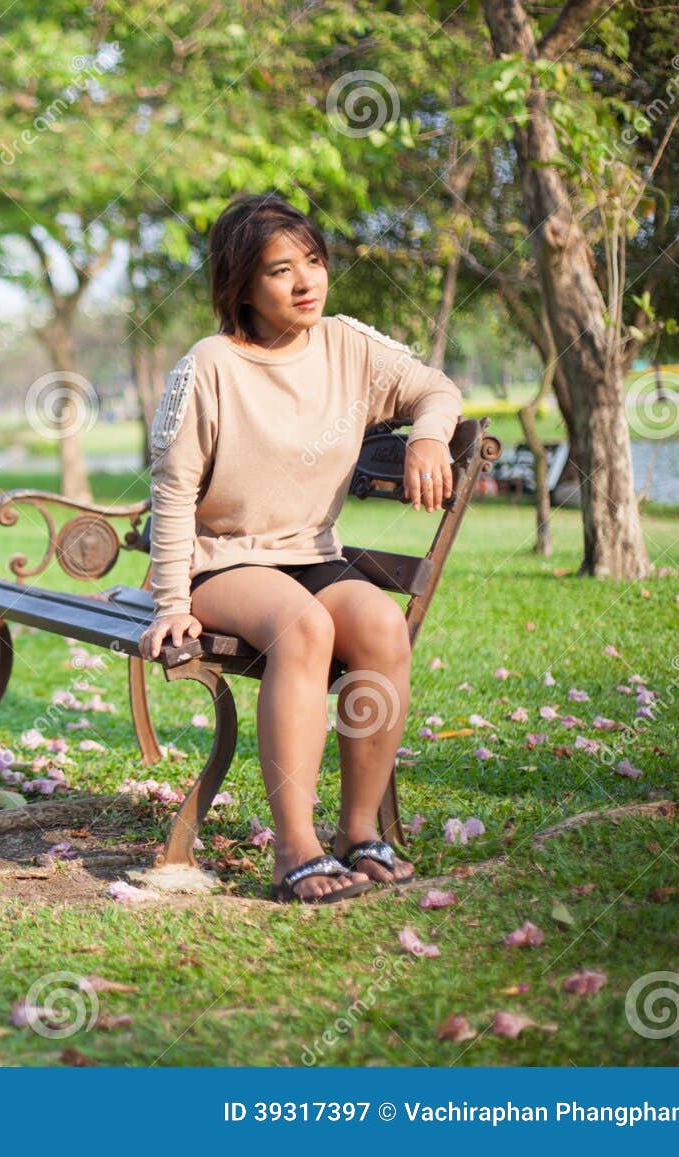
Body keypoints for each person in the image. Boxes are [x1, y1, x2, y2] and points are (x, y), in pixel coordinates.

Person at [138, 193, 461, 905]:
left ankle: (357, 831)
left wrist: (431, 434)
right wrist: (167, 600)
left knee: (379, 623)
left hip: (308, 552)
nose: (306, 282)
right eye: (281, 270)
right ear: (241, 286)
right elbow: (172, 488)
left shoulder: (346, 344)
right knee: (304, 626)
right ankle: (295, 848)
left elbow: (435, 388)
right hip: (219, 559)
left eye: (313, 262)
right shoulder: (210, 364)